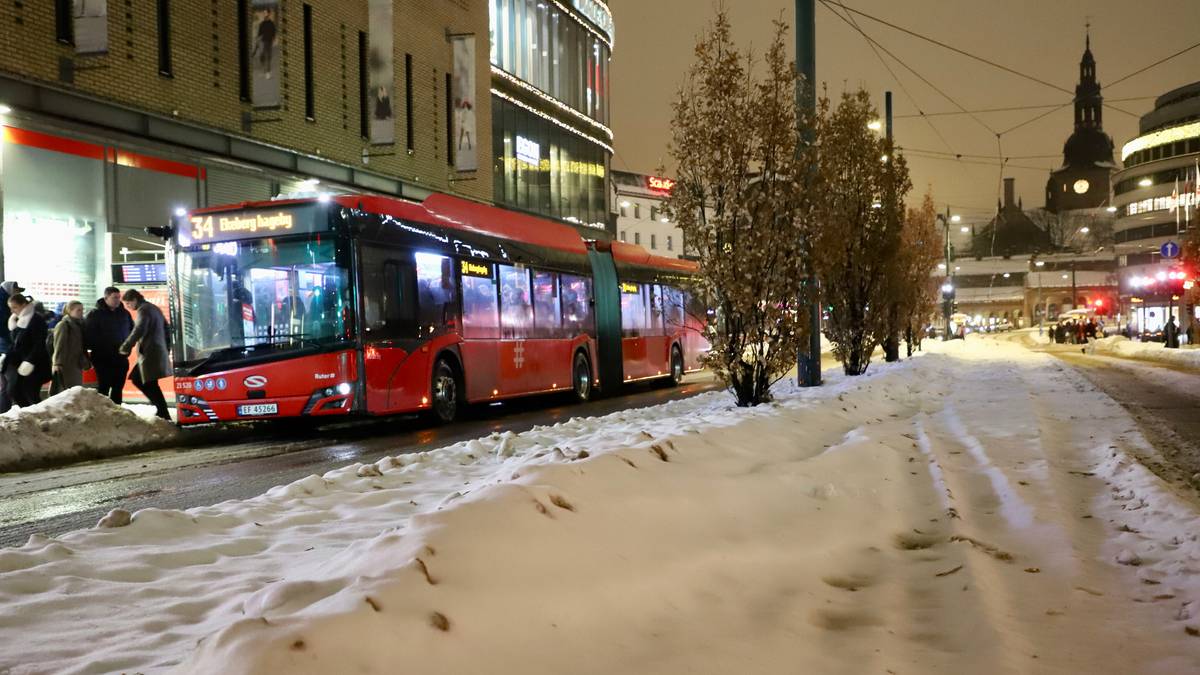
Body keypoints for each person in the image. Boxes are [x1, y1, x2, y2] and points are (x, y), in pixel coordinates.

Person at [118, 289, 171, 420]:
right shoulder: (153, 308)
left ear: (135, 300)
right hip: (156, 351)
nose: (128, 307)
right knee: (149, 382)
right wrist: (166, 348)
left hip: (150, 352)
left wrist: (125, 346)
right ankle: (162, 412)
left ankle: (163, 412)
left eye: (128, 304)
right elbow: (167, 328)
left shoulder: (144, 310)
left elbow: (139, 329)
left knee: (141, 380)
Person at [85, 287, 134, 404]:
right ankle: (102, 412)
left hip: (121, 358)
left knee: (118, 388)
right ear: (106, 298)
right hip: (103, 358)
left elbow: (133, 331)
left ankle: (117, 410)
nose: (117, 300)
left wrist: (128, 347)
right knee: (104, 388)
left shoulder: (124, 313)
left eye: (119, 297)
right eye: (114, 297)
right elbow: (88, 335)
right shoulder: (95, 314)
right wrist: (98, 348)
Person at [3, 293, 52, 407]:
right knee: (15, 391)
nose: (12, 311)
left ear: (24, 305)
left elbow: (39, 344)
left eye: (14, 307)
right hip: (21, 364)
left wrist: (29, 361)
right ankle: (28, 412)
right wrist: (6, 357)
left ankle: (38, 414)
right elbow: (15, 344)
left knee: (30, 393)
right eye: (10, 308)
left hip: (36, 364)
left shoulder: (36, 320)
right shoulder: (16, 320)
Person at [50, 300, 90, 396]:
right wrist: (57, 363)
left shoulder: (80, 325)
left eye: (82, 310)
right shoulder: (64, 325)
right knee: (65, 392)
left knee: (75, 392)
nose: (81, 312)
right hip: (66, 364)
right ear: (70, 311)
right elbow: (59, 345)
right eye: (78, 310)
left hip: (77, 364)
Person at [0, 280, 22, 413]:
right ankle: (4, 413)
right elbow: (3, 329)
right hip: (6, 349)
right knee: (10, 384)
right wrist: (13, 332)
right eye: (16, 291)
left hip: (7, 349)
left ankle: (5, 412)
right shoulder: (3, 306)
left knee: (7, 385)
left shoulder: (6, 305)